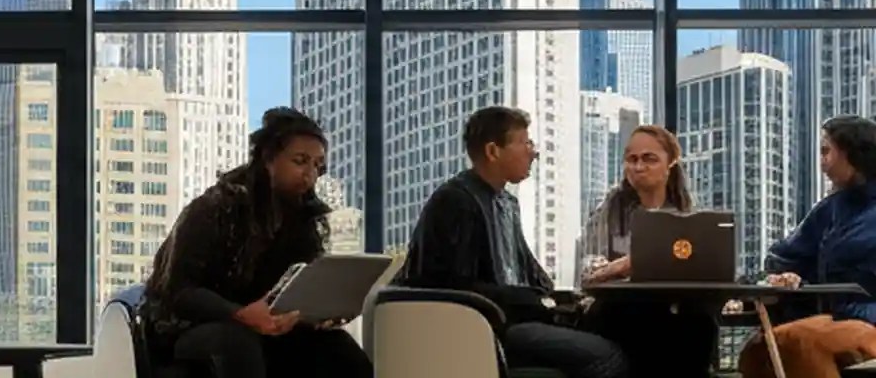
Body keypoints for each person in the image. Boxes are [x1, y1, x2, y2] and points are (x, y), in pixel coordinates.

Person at [393, 106, 628, 378]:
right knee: (607, 358)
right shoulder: (456, 201)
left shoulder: (506, 204)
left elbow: (531, 274)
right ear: (493, 151)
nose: (534, 152)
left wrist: (558, 297)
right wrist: (533, 301)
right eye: (525, 143)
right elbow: (453, 284)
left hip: (511, 319)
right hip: (487, 328)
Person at [142, 107, 371, 378]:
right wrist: (239, 314)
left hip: (263, 329)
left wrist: (320, 312)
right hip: (189, 328)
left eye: (317, 166)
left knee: (340, 350)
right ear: (268, 159)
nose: (310, 174)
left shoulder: (303, 221)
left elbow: (296, 286)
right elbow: (179, 291)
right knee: (236, 343)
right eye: (300, 161)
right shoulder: (216, 207)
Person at [740, 115, 876, 378]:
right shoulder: (830, 209)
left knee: (803, 341)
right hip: (835, 315)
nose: (822, 163)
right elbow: (784, 257)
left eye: (826, 152)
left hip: (864, 317)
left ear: (853, 153)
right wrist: (784, 277)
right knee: (757, 349)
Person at [579, 125, 718, 376]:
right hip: (618, 309)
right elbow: (588, 274)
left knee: (701, 324)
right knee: (650, 325)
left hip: (674, 307)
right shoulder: (610, 210)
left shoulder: (688, 215)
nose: (639, 166)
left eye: (649, 159)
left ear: (670, 163)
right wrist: (624, 265)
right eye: (632, 159)